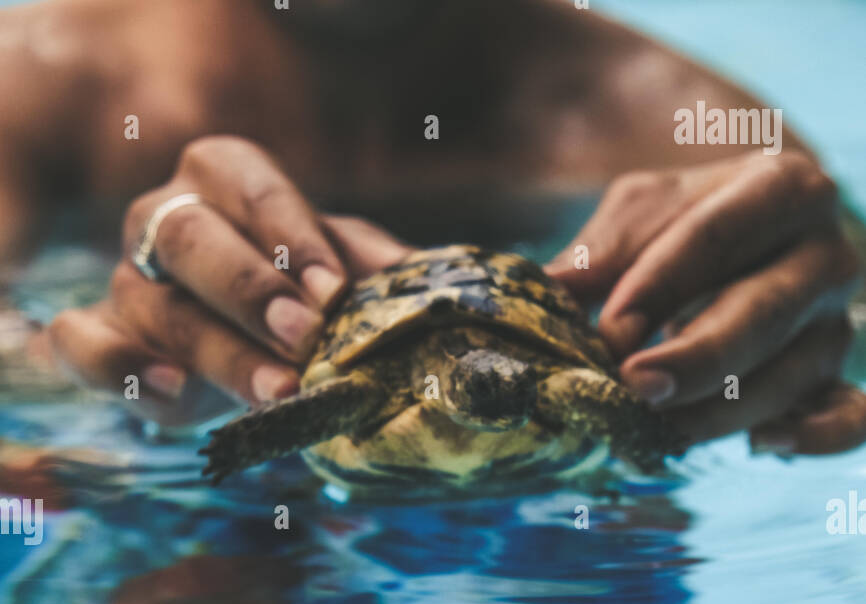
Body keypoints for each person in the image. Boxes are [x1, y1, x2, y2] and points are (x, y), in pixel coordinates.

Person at [0, 0, 861, 456]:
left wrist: (835, 328)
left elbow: (848, 340)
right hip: (154, 502)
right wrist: (76, 371)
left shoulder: (700, 136)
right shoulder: (33, 82)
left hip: (540, 526)